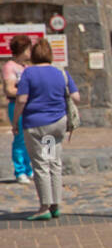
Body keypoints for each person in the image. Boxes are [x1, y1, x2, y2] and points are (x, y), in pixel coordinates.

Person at [12, 38, 80, 221]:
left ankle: (44, 207)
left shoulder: (29, 73)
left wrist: (15, 121)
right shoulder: (60, 72)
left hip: (36, 125)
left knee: (41, 165)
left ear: (33, 55)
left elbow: (21, 100)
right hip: (56, 125)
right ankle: (55, 204)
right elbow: (76, 96)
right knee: (53, 162)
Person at [3, 34, 35, 185]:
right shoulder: (10, 67)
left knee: (30, 138)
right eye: (28, 49)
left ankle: (29, 169)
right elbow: (10, 89)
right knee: (20, 137)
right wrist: (27, 92)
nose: (30, 52)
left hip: (29, 106)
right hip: (17, 105)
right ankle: (20, 170)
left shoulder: (26, 67)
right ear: (22, 49)